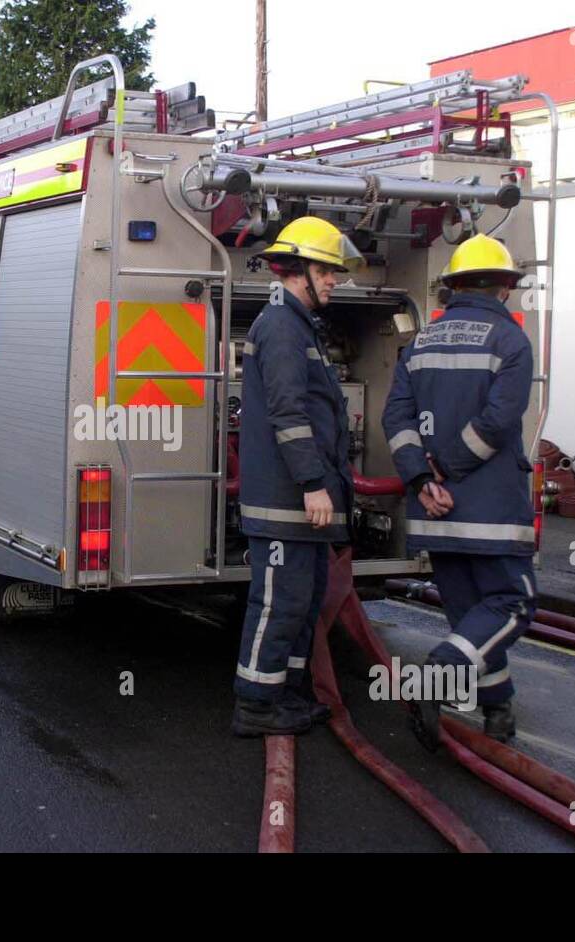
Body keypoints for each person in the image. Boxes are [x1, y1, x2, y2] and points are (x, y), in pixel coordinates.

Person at [381, 234, 537, 747]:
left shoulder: (420, 342)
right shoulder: (510, 340)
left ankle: (498, 712)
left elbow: (396, 419)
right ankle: (436, 678)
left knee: (472, 616)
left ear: (453, 287)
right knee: (512, 605)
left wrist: (422, 478)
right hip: (489, 510)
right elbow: (498, 421)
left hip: (434, 513)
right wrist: (447, 469)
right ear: (505, 289)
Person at [232, 216, 366, 737]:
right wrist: (314, 483)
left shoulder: (299, 325)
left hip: (303, 503)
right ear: (298, 271)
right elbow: (290, 416)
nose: (335, 280)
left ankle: (284, 694)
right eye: (326, 270)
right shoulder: (282, 328)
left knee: (303, 603)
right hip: (285, 500)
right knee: (279, 602)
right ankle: (255, 706)